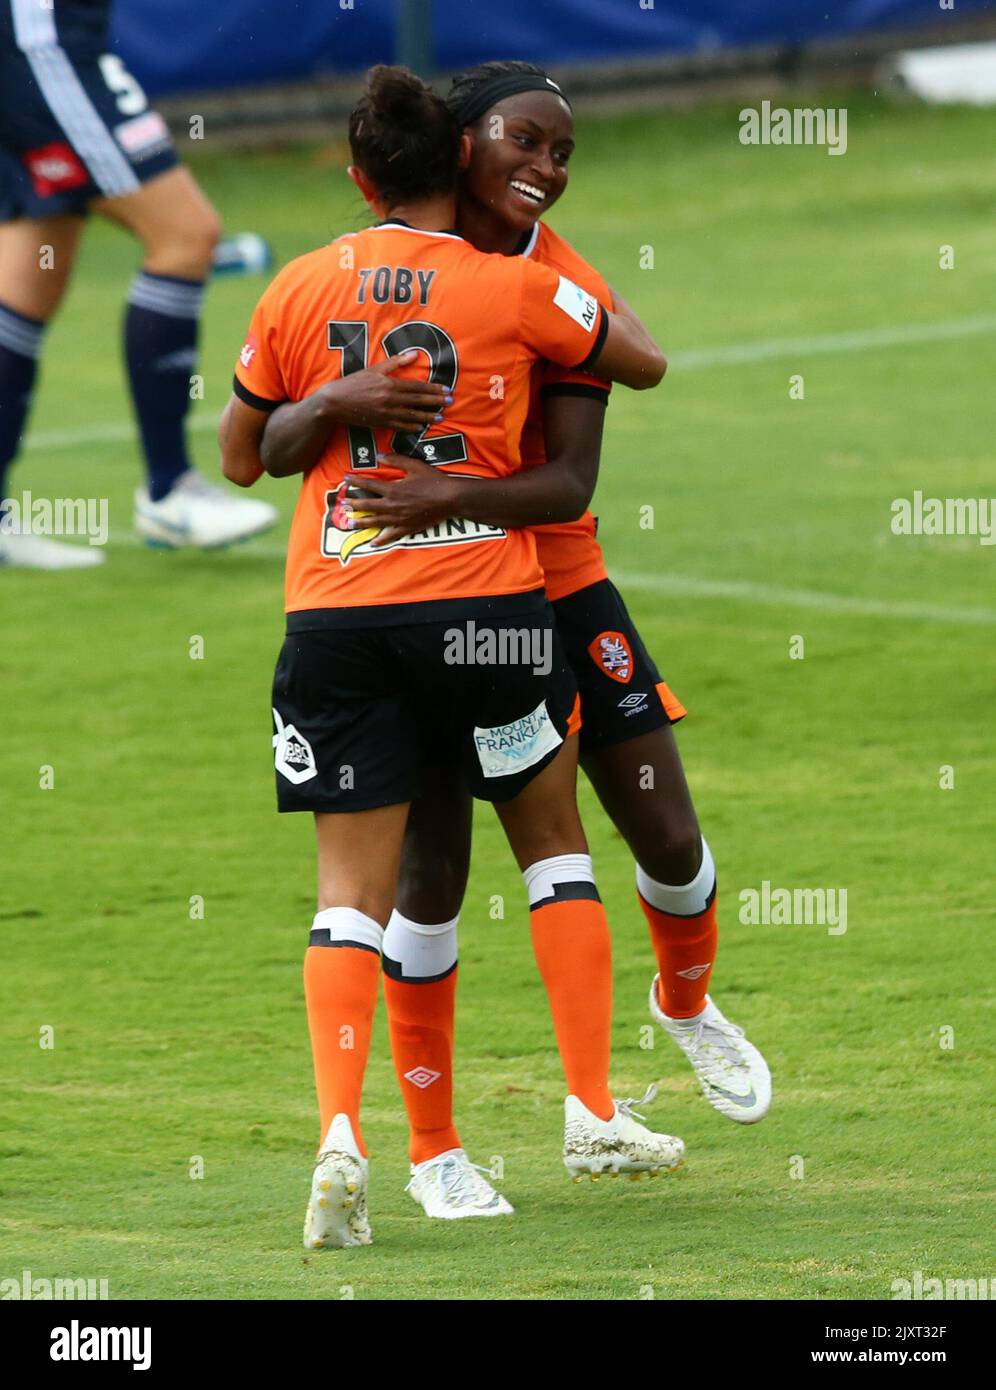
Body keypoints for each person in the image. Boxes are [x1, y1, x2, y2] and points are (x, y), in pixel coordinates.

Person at [258, 60, 772, 1218]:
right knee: (438, 870)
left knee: (669, 834)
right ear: (460, 148)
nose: (543, 169)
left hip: (552, 582)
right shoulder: (426, 278)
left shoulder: (534, 274)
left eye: (560, 154)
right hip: (458, 600)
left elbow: (628, 371)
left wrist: (544, 278)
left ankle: (684, 1009)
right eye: (523, 144)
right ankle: (439, 1150)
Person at [0, 0, 276, 569]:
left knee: (32, 275)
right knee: (186, 234)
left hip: (40, 44)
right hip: (42, 44)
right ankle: (168, 489)